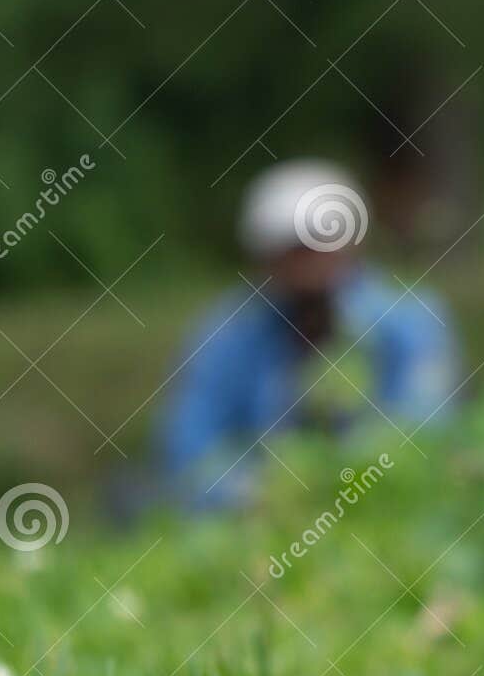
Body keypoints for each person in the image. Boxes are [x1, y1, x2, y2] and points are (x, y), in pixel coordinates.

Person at [158, 159, 460, 509]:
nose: (307, 261)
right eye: (291, 248)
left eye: (319, 241)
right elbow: (189, 448)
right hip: (257, 522)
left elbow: (425, 428)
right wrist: (255, 491)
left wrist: (331, 484)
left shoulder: (410, 318)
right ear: (263, 256)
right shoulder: (226, 333)